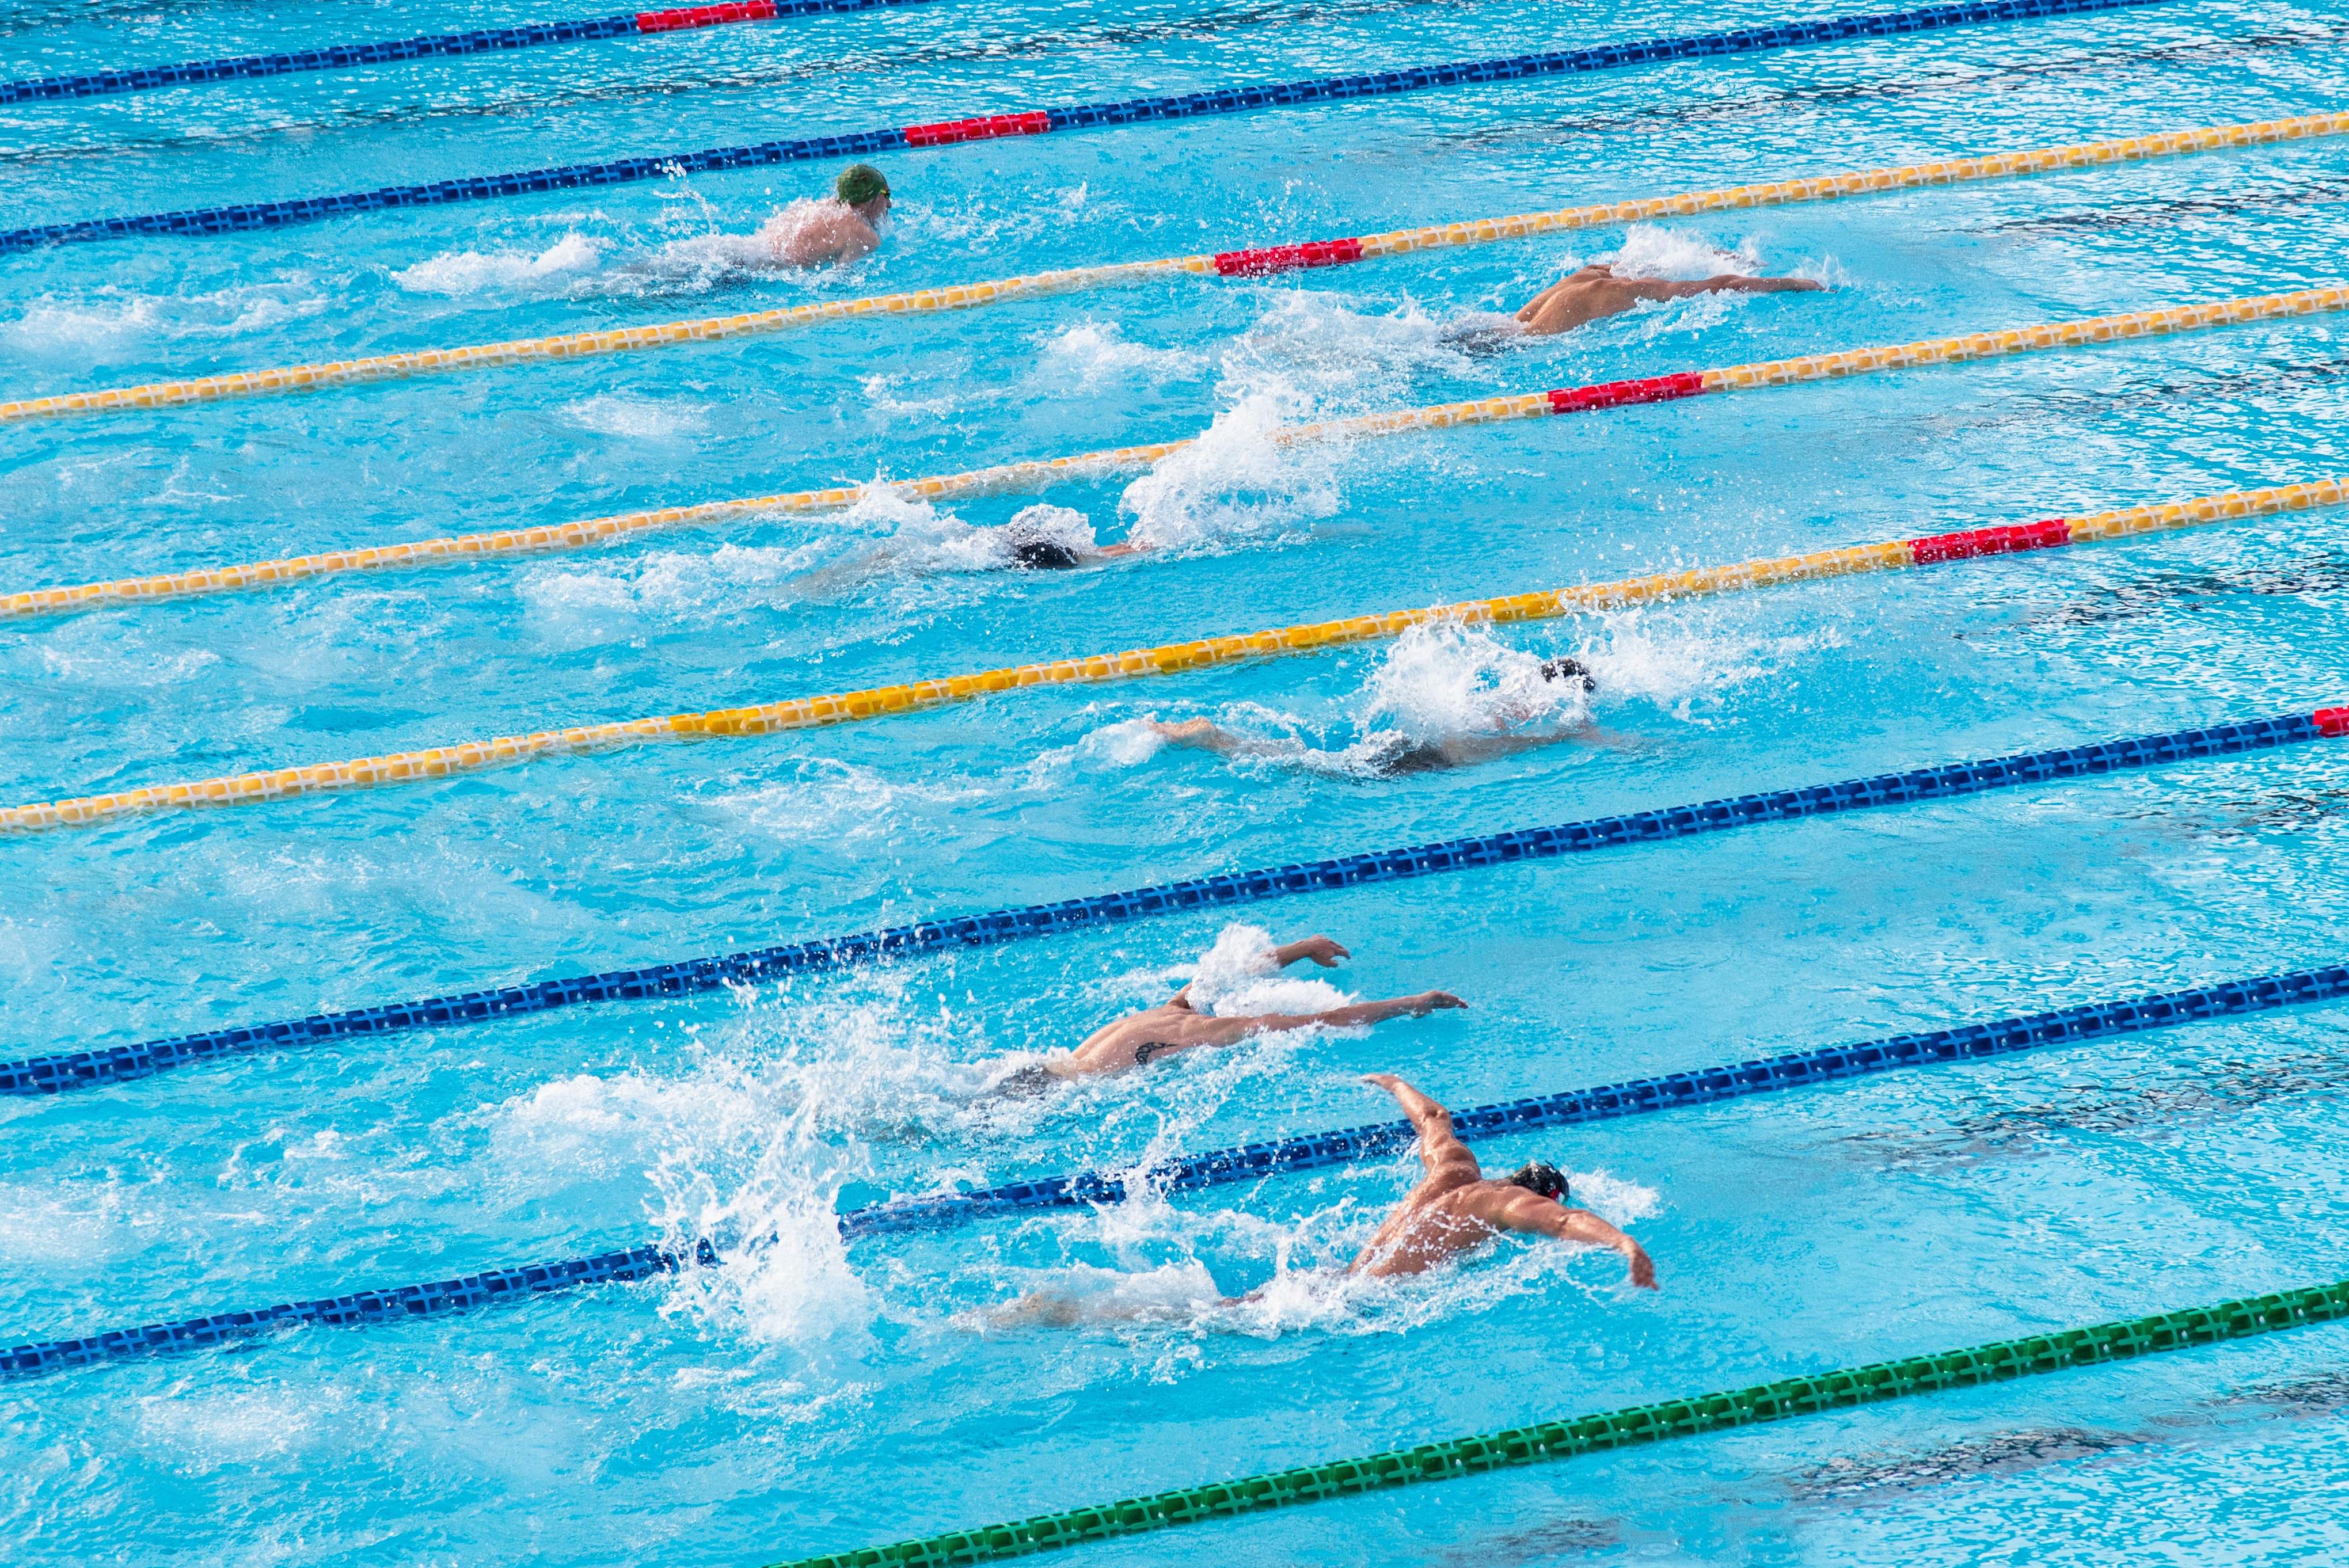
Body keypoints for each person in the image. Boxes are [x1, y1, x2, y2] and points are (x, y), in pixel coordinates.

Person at [986, 1073, 1655, 1327]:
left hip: (1337, 1276)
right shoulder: (1501, 1206)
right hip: (1352, 1300)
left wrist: (1393, 1082)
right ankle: (1071, 1313)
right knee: (1202, 1320)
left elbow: (1435, 1118)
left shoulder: (1457, 1169)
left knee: (1219, 1307)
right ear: (1533, 1194)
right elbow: (1563, 1222)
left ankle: (1071, 1308)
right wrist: (1624, 1243)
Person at [990, 934, 1464, 1095]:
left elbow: (1226, 972)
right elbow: (1332, 1019)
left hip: (1039, 1072)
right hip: (1056, 1094)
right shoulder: (1214, 1029)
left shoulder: (1171, 1007)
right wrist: (1412, 1003)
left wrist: (1303, 948)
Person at [1146, 657, 1598, 778]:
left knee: (1318, 758)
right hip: (1429, 757)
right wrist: (1573, 734)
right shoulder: (1521, 716)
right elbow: (1511, 742)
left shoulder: (1504, 696)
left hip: (1416, 745)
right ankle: (1213, 738)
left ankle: (1219, 738)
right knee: (1314, 767)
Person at [1514, 262, 1823, 337]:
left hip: (1497, 332)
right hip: (1520, 350)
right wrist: (1792, 282)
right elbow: (1722, 286)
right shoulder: (1625, 291)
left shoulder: (1584, 276)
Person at [761, 163, 894, 268]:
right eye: (886, 195)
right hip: (762, 272)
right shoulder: (864, 236)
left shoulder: (818, 207)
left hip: (753, 253)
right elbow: (840, 281)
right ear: (871, 196)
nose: (889, 204)